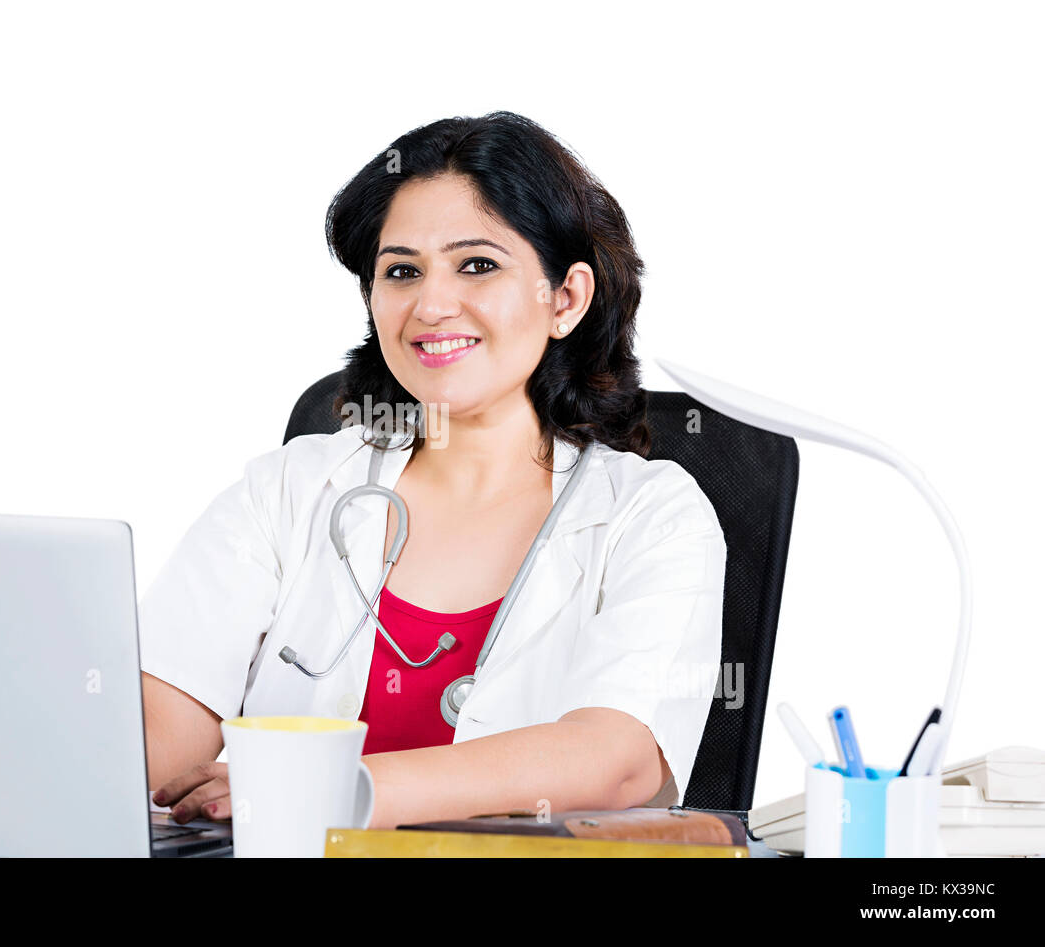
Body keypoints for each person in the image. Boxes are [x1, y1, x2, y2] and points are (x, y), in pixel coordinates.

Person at [141, 111, 726, 830]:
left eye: (477, 264)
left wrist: (333, 789)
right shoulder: (290, 490)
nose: (432, 305)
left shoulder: (653, 516)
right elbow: (156, 748)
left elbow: (616, 757)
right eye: (401, 271)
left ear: (565, 299)